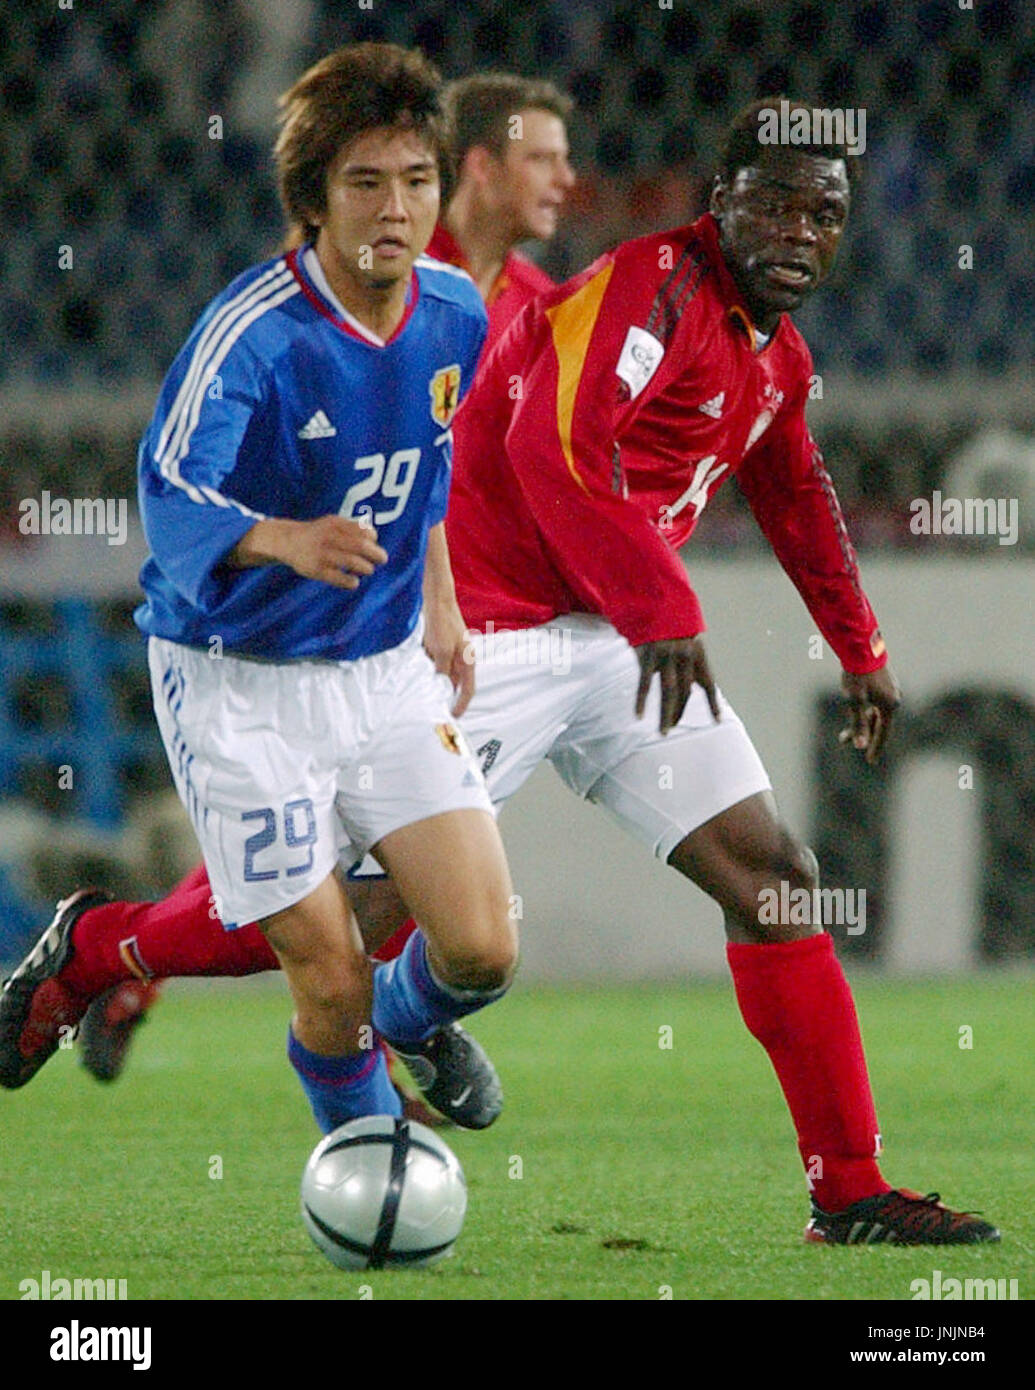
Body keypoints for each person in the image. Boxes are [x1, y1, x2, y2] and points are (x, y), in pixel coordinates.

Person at [2, 97, 998, 1245]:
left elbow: (793, 488)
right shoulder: (650, 290)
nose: (797, 231)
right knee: (354, 912)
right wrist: (662, 605)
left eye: (822, 213)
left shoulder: (774, 354)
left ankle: (850, 1188)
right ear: (714, 202)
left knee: (778, 877)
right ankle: (98, 946)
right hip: (498, 629)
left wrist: (863, 647)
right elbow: (551, 448)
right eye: (770, 202)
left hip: (621, 642)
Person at [1, 43, 522, 1135]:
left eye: (417, 181)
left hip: (381, 671)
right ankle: (368, 1153)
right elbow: (170, 485)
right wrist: (280, 537)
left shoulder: (454, 311)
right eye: (365, 184)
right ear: (313, 199)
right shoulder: (253, 335)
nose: (397, 209)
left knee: (481, 943)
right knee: (323, 971)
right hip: (239, 682)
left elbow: (424, 466)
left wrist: (442, 603)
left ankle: (380, 1017)